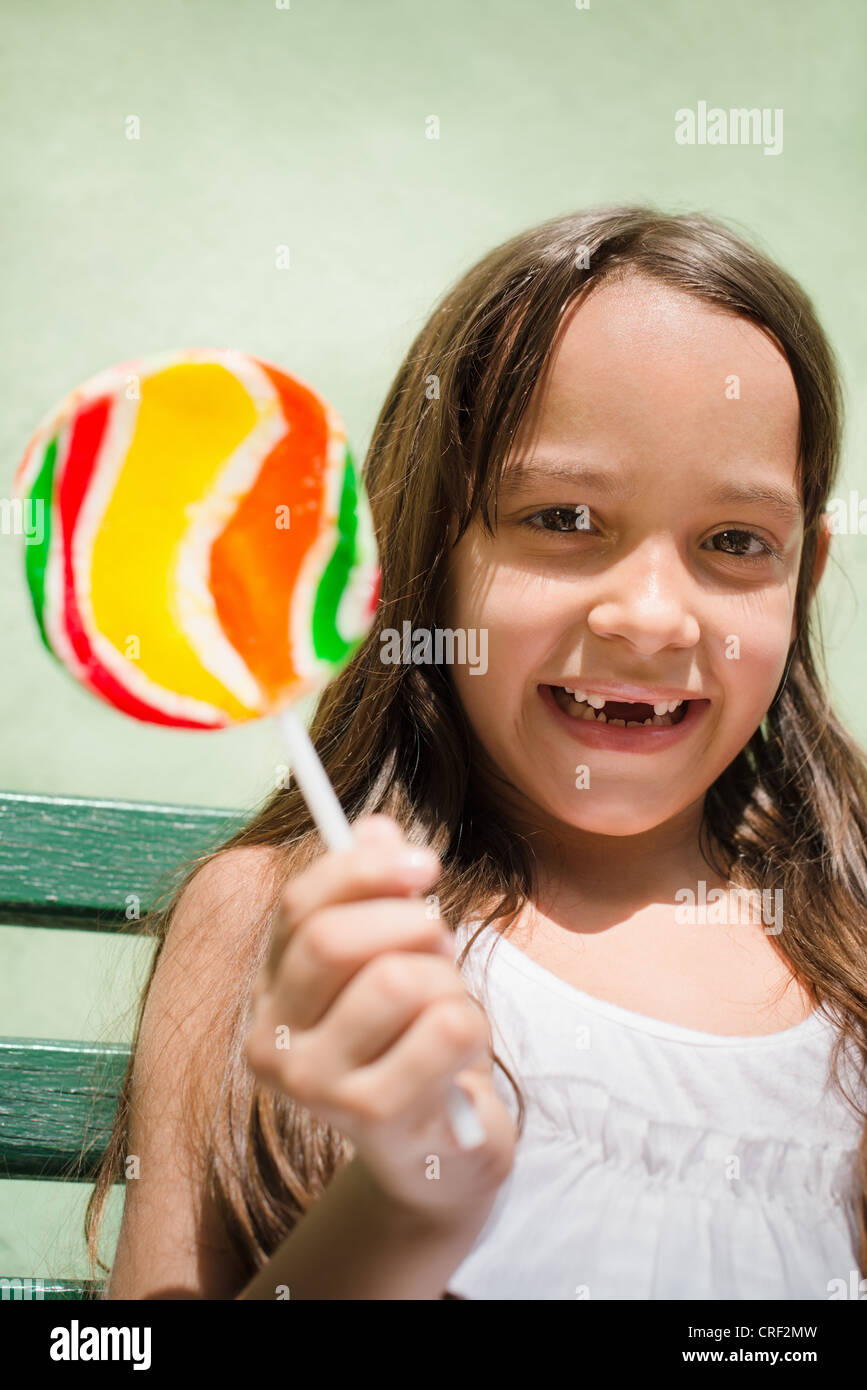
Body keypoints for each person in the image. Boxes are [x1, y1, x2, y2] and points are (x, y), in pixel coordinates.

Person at [94, 205, 867, 1300]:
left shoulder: (851, 949)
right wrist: (401, 1210)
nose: (650, 616)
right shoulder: (278, 926)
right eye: (562, 519)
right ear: (433, 539)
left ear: (807, 569)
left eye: (736, 543)